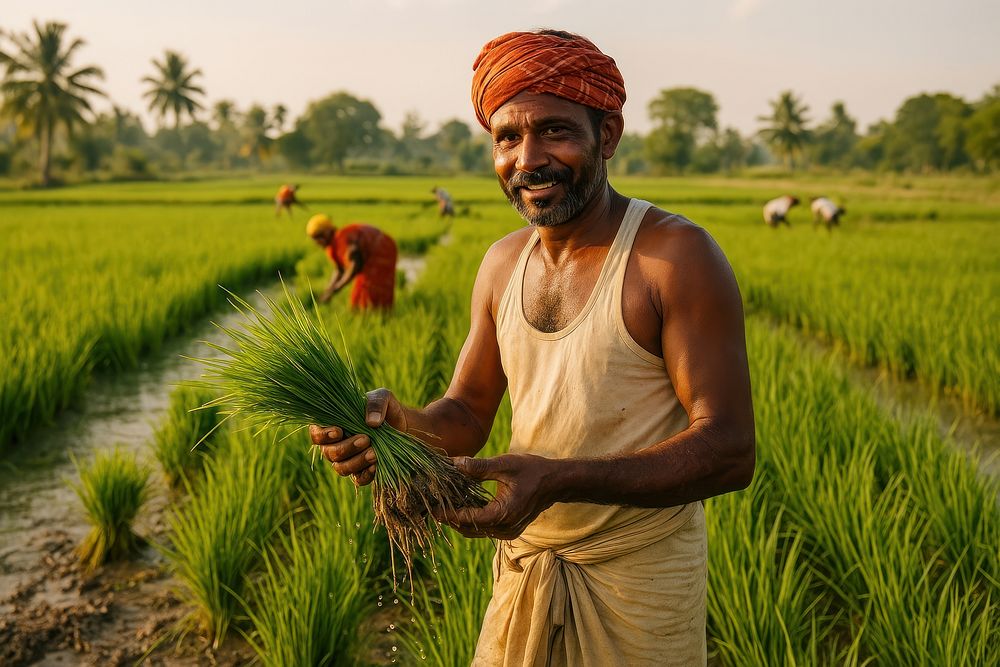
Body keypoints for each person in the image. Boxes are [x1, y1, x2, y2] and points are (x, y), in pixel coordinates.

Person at [312, 29, 754, 666]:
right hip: (525, 567)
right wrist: (389, 424)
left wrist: (561, 480)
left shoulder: (672, 258)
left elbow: (731, 450)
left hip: (639, 583)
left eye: (556, 131)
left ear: (607, 135)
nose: (528, 159)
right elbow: (465, 415)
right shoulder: (500, 264)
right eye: (507, 138)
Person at [305, 213, 398, 309]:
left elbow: (355, 266)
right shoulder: (332, 246)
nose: (317, 243)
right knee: (359, 295)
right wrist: (329, 289)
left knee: (372, 289)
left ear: (326, 234)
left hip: (382, 249)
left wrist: (337, 288)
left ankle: (379, 315)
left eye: (317, 239)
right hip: (371, 254)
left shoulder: (343, 240)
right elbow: (339, 269)